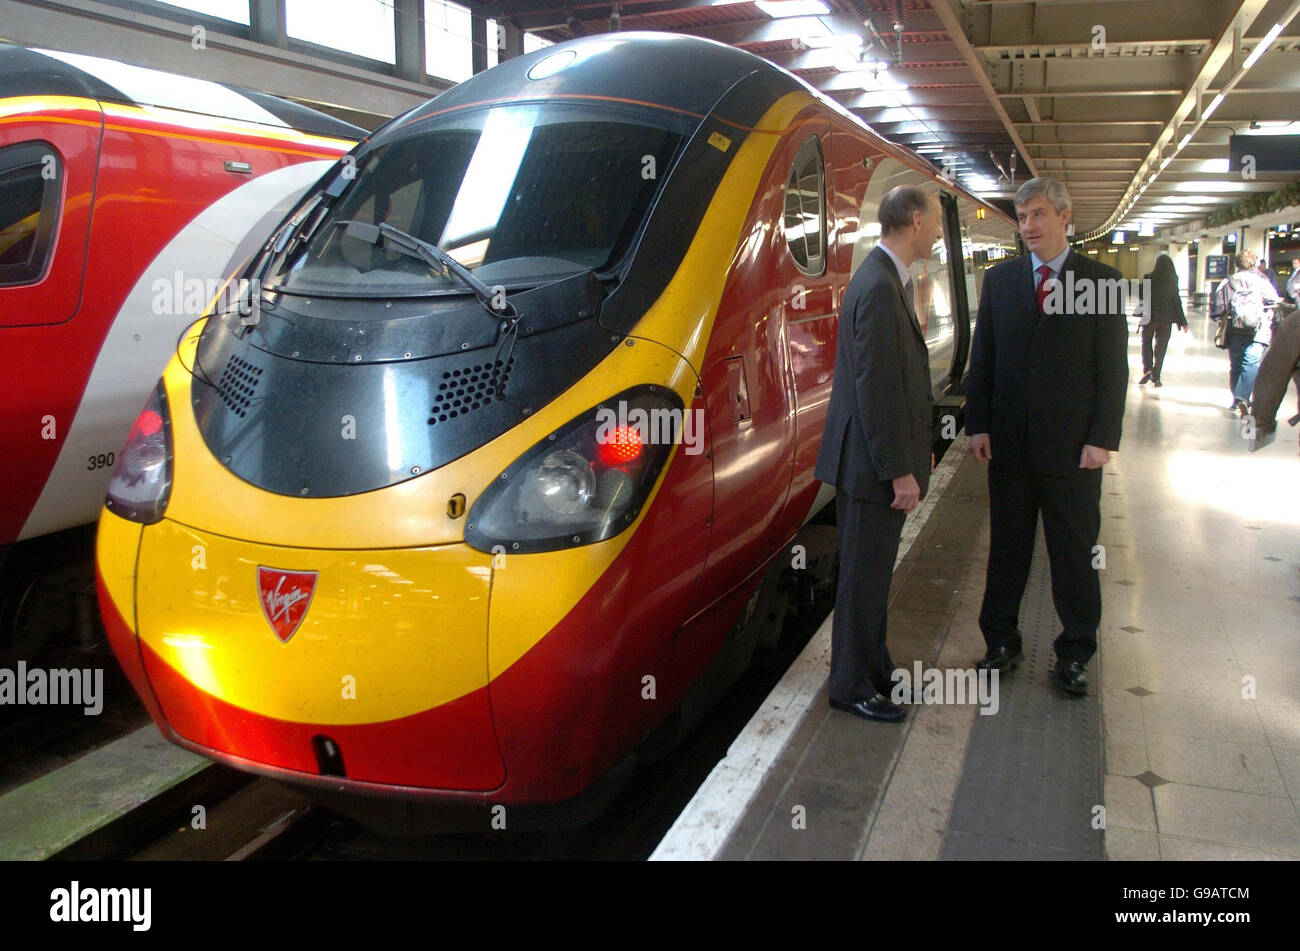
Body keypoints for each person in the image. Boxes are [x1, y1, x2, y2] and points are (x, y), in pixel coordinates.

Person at [964, 177, 1128, 697]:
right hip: (1011, 445)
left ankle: (1075, 651)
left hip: (1073, 450)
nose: (1028, 226)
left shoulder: (1099, 282)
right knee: (1007, 549)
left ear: (1064, 216)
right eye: (1021, 216)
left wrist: (1102, 437)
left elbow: (1113, 370)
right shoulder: (1001, 281)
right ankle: (1001, 641)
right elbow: (982, 358)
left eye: (1037, 214)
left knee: (1074, 553)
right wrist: (978, 423)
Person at [815, 185, 943, 723]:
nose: (939, 230)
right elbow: (877, 391)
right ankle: (848, 685)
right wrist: (900, 472)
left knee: (873, 576)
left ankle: (874, 665)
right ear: (914, 220)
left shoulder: (885, 278)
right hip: (870, 470)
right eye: (935, 220)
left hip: (874, 466)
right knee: (863, 579)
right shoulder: (879, 287)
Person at [1212, 250, 1281, 416]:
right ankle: (1243, 396)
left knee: (1235, 365)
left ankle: (1236, 400)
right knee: (1251, 364)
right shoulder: (1262, 281)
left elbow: (1218, 308)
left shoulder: (1227, 282)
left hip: (1234, 330)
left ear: (1236, 264)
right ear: (1254, 264)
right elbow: (1274, 300)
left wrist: (1221, 319)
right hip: (1258, 330)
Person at [1137, 253, 1188, 387]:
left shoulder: (1149, 277)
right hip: (1166, 320)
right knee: (1161, 347)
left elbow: (1141, 296)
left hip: (1150, 318)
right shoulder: (1173, 279)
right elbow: (1177, 301)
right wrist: (1183, 322)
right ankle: (1157, 376)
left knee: (1146, 343)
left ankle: (1147, 368)